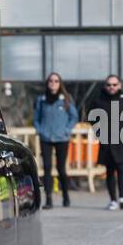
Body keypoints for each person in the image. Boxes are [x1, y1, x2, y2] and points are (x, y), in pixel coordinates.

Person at [33, 72, 79, 209]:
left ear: (60, 83)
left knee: (61, 169)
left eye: (56, 81)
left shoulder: (66, 98)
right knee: (47, 168)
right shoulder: (41, 99)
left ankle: (65, 195)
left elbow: (74, 116)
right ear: (47, 83)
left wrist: (67, 130)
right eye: (51, 81)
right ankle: (48, 199)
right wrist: (40, 130)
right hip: (46, 137)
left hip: (61, 138)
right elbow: (36, 118)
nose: (53, 83)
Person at [91, 74, 123, 210]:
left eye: (114, 85)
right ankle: (113, 200)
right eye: (109, 85)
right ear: (105, 86)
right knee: (109, 171)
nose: (112, 87)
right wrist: (99, 133)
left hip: (121, 140)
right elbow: (93, 119)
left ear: (119, 85)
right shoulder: (98, 102)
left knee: (121, 168)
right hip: (106, 142)